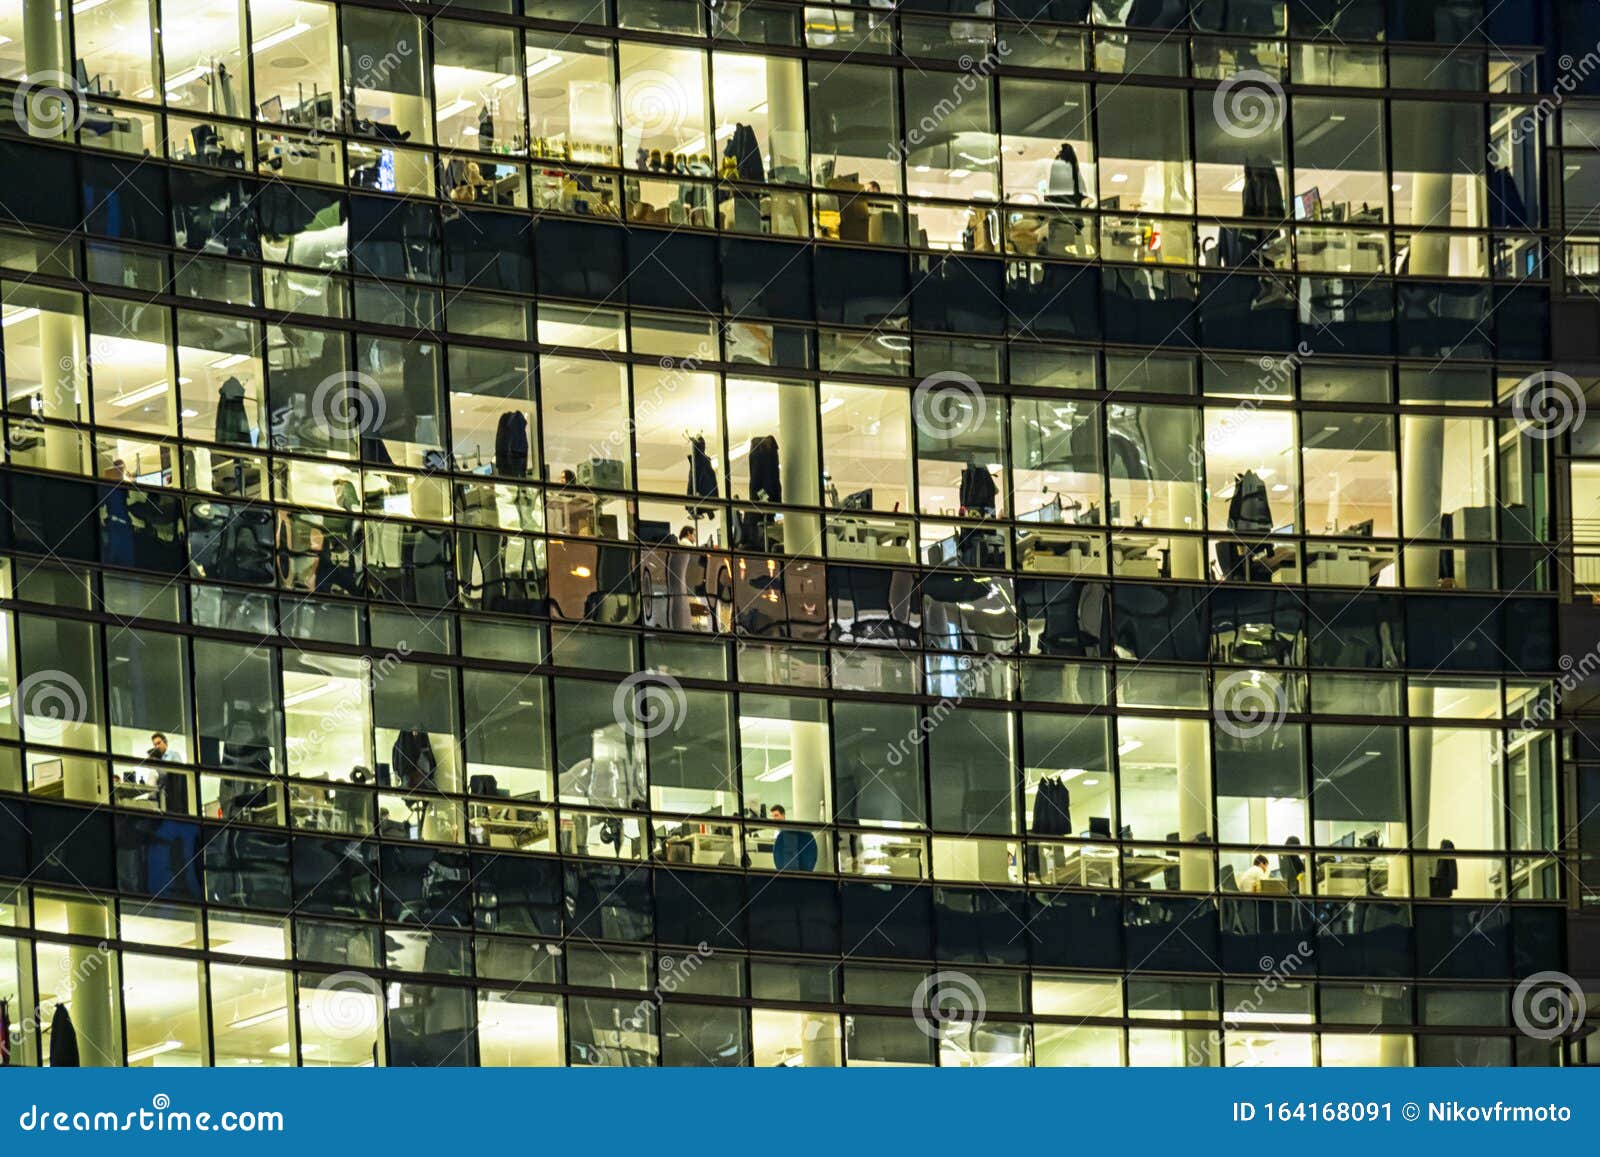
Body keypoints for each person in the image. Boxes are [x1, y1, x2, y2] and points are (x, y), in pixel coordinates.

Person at [769, 805, 818, 872]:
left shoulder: (790, 831)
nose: (774, 819)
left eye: (776, 815)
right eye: (772, 816)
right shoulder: (778, 832)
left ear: (783, 815)